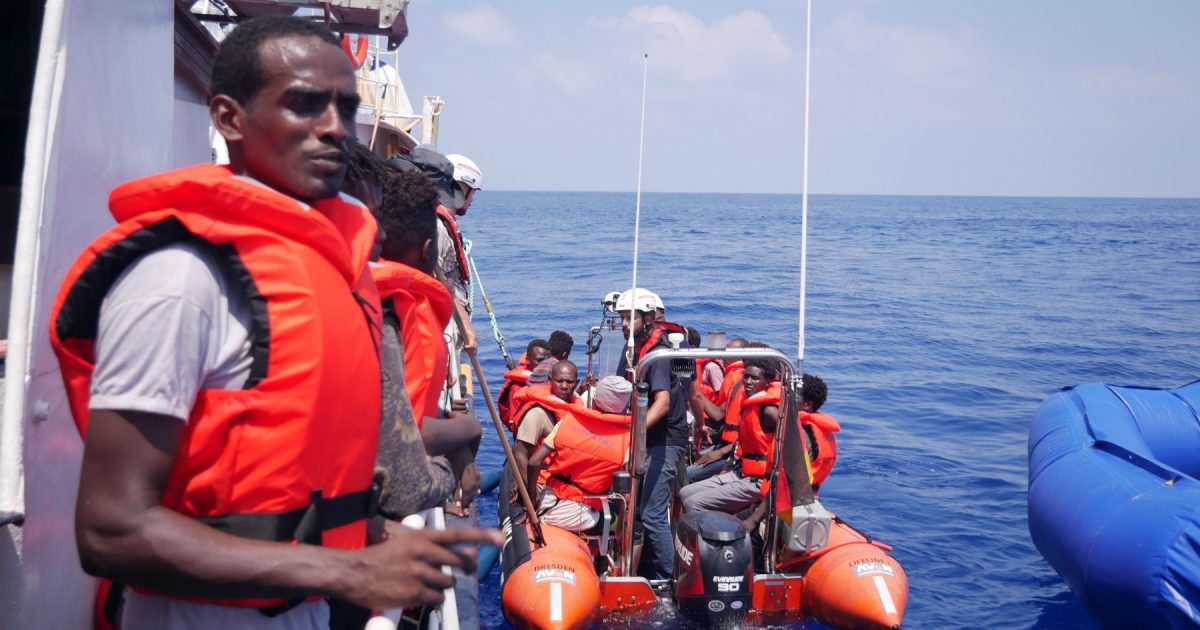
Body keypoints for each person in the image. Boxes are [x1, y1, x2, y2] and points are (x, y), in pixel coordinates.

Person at [48, 16, 499, 630]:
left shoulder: (327, 282)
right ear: (229, 118)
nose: (335, 128)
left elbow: (291, 481)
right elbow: (111, 530)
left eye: (345, 106)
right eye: (305, 105)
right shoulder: (181, 281)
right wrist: (348, 573)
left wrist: (377, 536)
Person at [368, 166, 483, 518]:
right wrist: (453, 465)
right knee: (471, 425)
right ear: (428, 251)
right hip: (380, 507)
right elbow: (412, 433)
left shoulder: (355, 288)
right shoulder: (408, 316)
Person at [612, 288, 689, 581]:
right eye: (620, 318)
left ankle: (667, 580)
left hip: (665, 440)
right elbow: (620, 386)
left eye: (628, 318)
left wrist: (631, 431)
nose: (622, 325)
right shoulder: (632, 351)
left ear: (646, 318)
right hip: (648, 437)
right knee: (639, 507)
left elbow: (663, 403)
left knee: (653, 513)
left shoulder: (657, 356)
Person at [525, 376, 633, 532]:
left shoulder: (568, 421)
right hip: (580, 516)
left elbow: (534, 462)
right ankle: (610, 553)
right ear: (624, 408)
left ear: (594, 401)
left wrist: (532, 498)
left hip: (549, 504)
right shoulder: (627, 440)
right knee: (635, 530)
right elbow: (626, 488)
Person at [679, 360, 782, 515]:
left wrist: (721, 454)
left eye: (754, 378)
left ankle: (709, 537)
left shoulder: (768, 410)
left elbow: (790, 442)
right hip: (738, 465)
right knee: (684, 492)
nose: (748, 382)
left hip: (757, 477)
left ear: (768, 381)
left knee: (689, 488)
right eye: (746, 377)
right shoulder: (747, 399)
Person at [511, 361, 580, 503]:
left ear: (576, 383)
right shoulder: (536, 414)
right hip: (542, 482)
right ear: (550, 380)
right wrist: (530, 493)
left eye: (570, 382)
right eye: (559, 381)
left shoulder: (577, 408)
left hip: (567, 481)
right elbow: (519, 453)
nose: (565, 386)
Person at [687, 338, 750, 483]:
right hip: (724, 441)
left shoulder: (735, 378)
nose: (723, 357)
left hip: (730, 451)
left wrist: (696, 391)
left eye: (728, 353)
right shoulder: (734, 376)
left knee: (688, 474)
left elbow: (718, 415)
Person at [496, 339, 552, 432]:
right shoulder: (517, 389)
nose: (545, 365)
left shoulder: (552, 380)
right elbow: (519, 427)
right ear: (528, 360)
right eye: (540, 361)